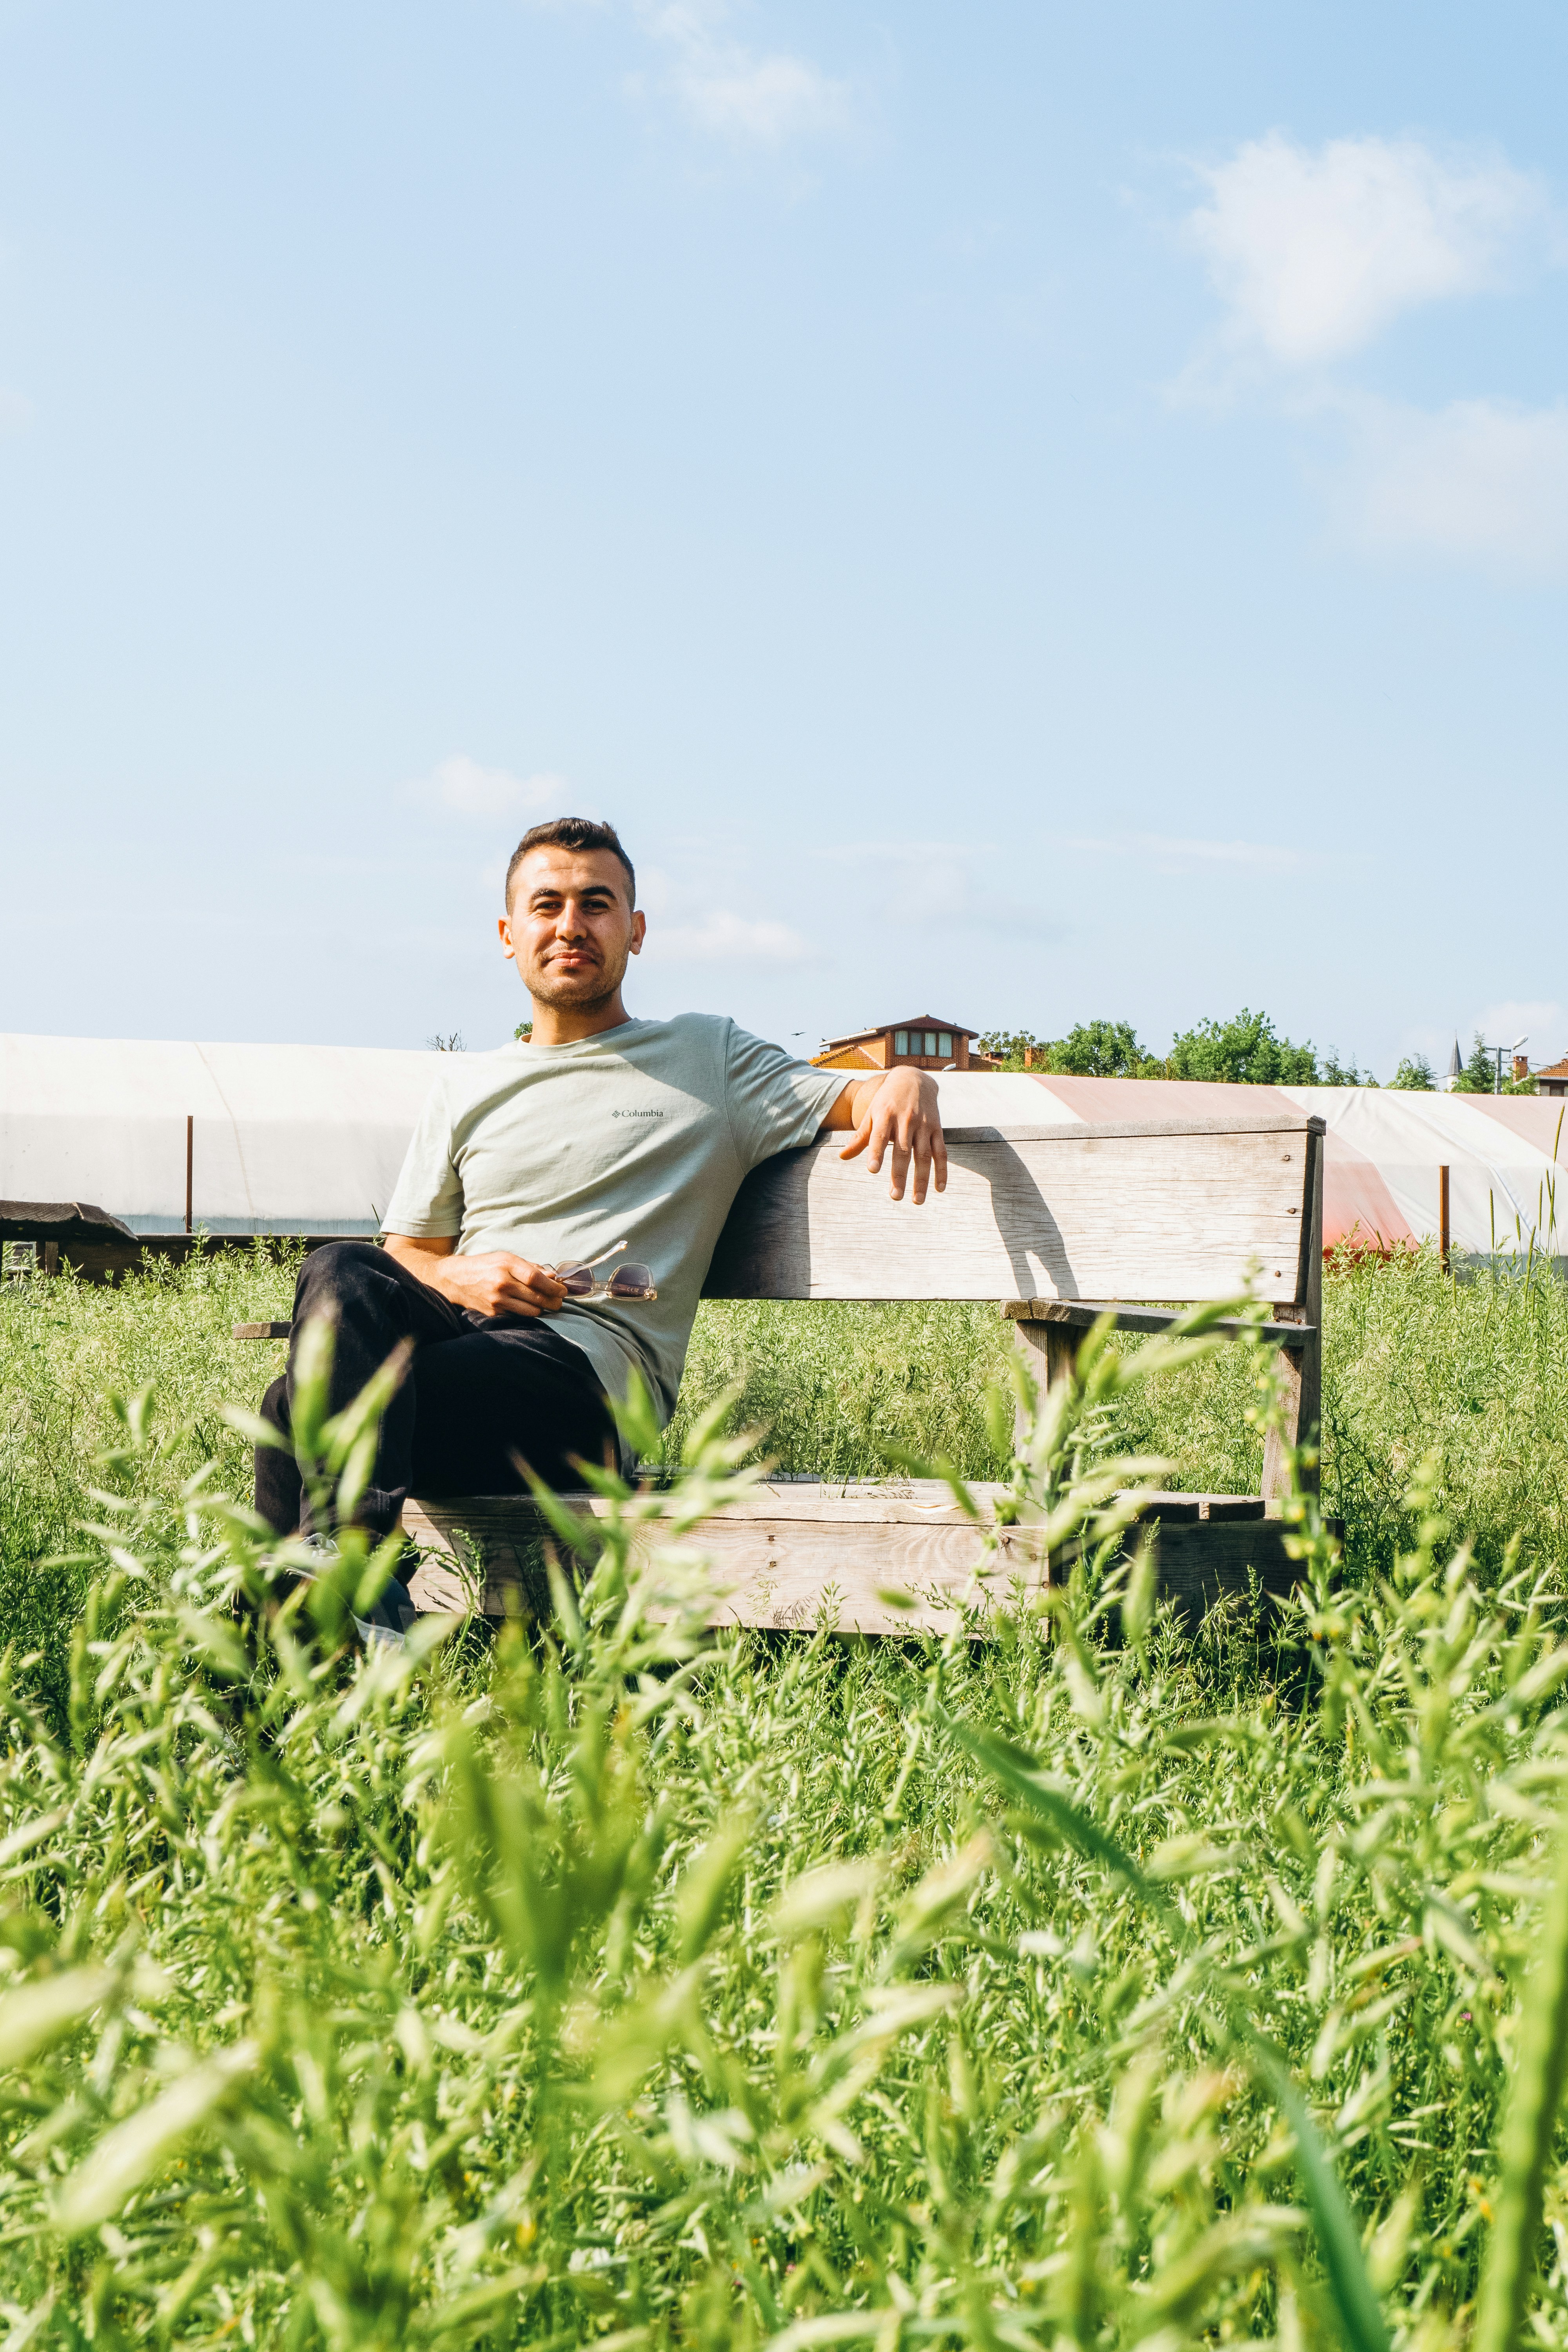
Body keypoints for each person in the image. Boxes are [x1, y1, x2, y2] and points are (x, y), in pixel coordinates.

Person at [254, 816, 946, 1626]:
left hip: (582, 1383)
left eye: (596, 903)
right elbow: (407, 1252)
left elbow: (851, 1095)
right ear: (510, 935)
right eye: (546, 906)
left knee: (292, 1409)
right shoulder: (466, 1087)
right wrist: (454, 1272)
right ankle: (338, 1610)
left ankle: (286, 1647)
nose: (570, 925)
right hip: (462, 1349)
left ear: (635, 930)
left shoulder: (706, 1058)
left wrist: (907, 1078)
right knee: (338, 1270)